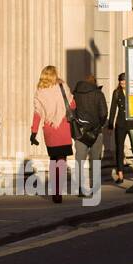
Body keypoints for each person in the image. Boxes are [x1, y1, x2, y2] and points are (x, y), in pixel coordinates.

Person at [31, 65, 75, 204]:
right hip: (63, 127)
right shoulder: (62, 86)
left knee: (53, 159)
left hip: (49, 129)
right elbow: (73, 105)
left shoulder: (40, 91)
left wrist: (33, 132)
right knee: (61, 160)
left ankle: (54, 189)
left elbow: (37, 113)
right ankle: (58, 192)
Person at [71, 73, 107, 196]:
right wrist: (99, 125)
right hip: (96, 131)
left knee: (79, 160)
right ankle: (95, 187)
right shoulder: (98, 94)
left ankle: (80, 188)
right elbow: (104, 113)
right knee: (95, 160)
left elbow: (72, 111)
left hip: (80, 132)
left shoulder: (75, 94)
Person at [108, 73, 133, 184]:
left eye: (124, 81)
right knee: (119, 149)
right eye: (121, 81)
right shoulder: (117, 92)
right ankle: (120, 174)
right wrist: (110, 124)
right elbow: (113, 109)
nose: (122, 83)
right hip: (121, 123)